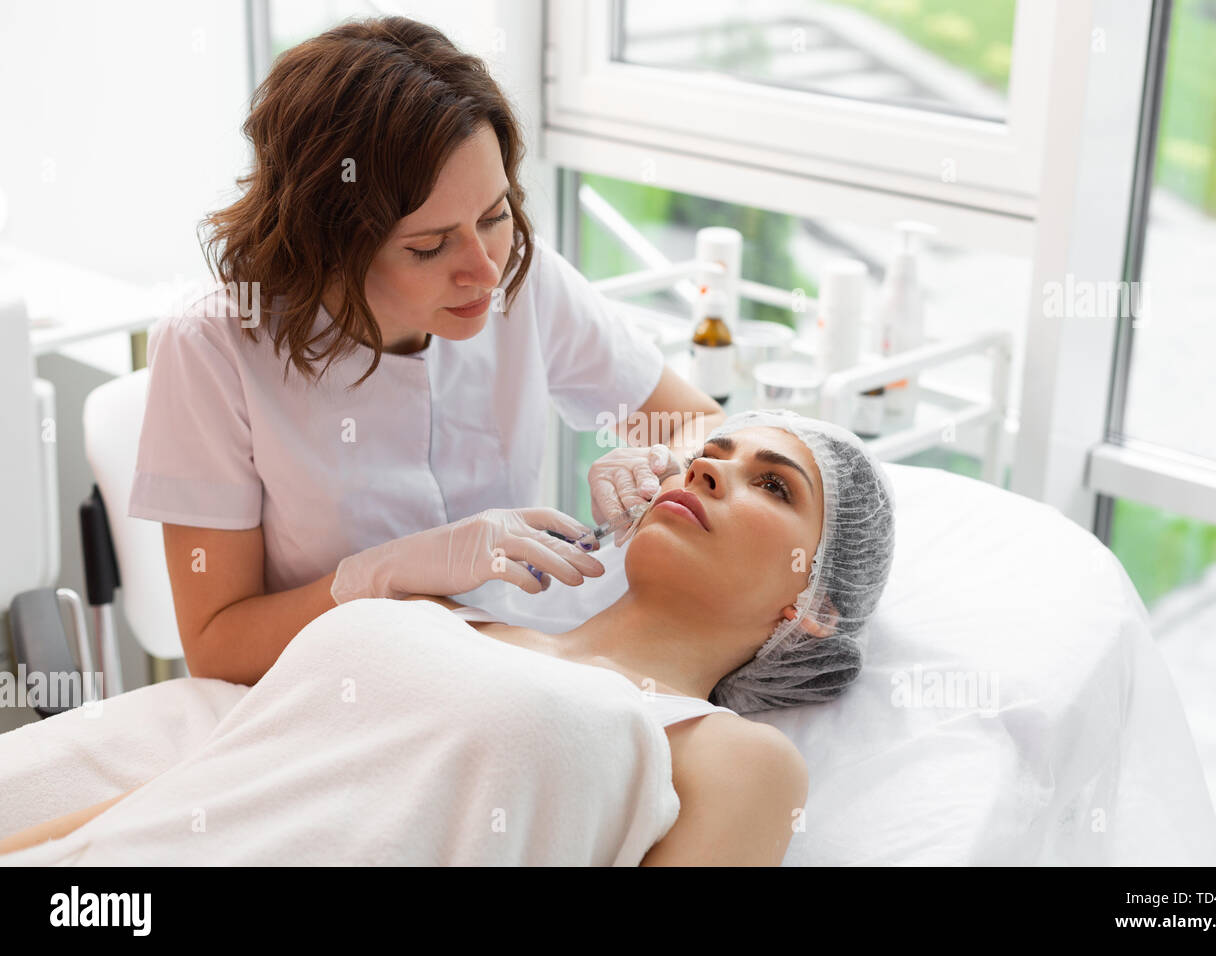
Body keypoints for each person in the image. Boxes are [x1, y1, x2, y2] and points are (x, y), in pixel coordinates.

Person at [0, 411, 896, 866]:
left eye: (772, 487)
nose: (709, 464)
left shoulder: (730, 756)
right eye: (717, 450)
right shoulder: (453, 611)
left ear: (809, 608)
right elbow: (203, 789)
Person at [128, 15, 725, 687]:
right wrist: (386, 574)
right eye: (427, 246)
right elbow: (219, 646)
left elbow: (699, 421)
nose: (483, 269)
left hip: (505, 671)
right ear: (329, 242)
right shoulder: (215, 347)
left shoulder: (521, 280)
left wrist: (650, 459)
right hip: (329, 699)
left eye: (494, 215)